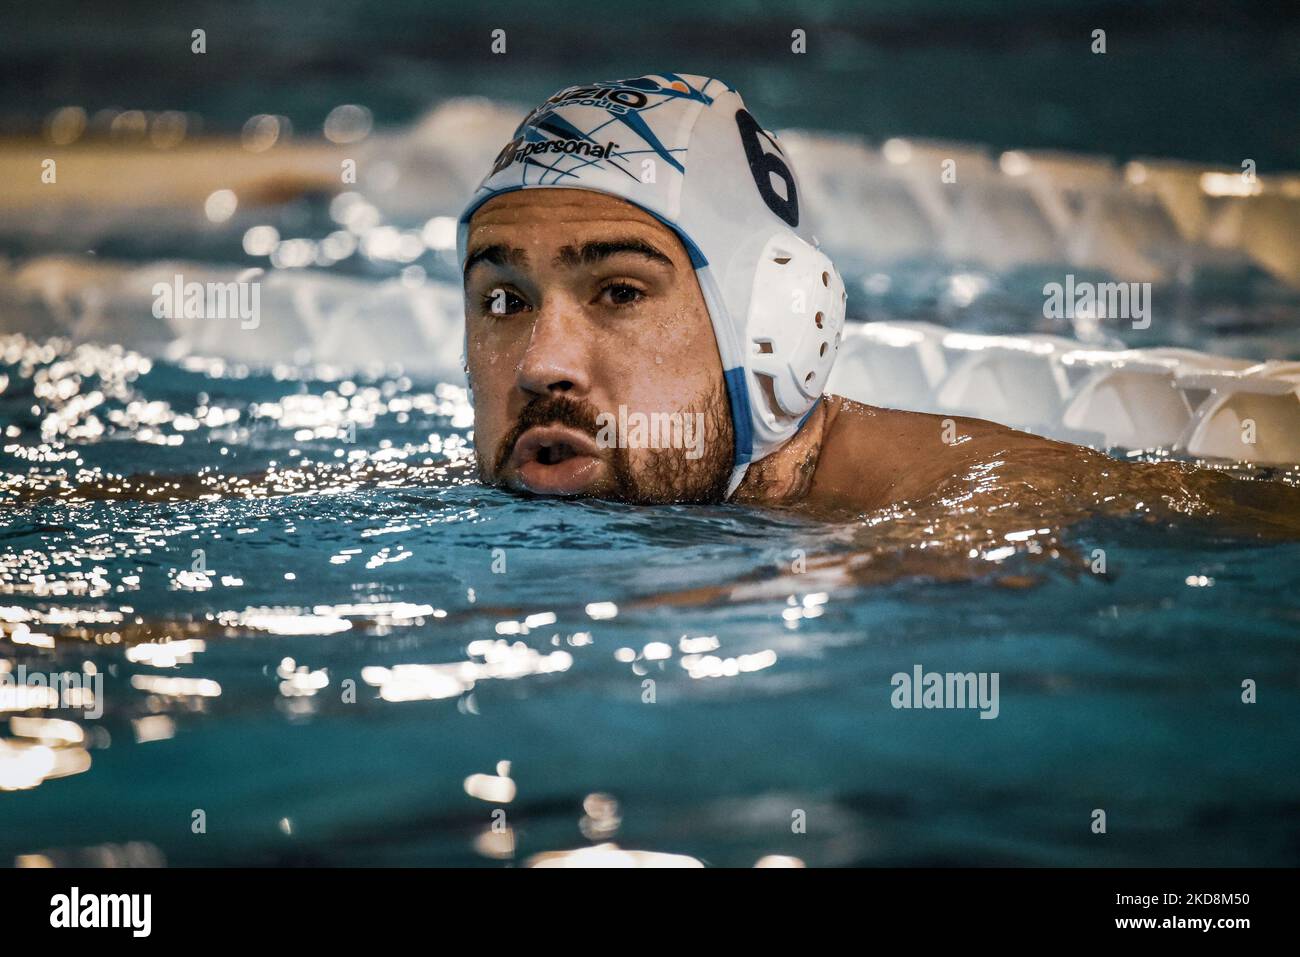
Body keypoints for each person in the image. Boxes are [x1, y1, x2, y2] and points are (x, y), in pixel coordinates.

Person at [457, 73, 1300, 534]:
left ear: (773, 327)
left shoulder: (978, 512)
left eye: (619, 291)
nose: (540, 364)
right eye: (503, 298)